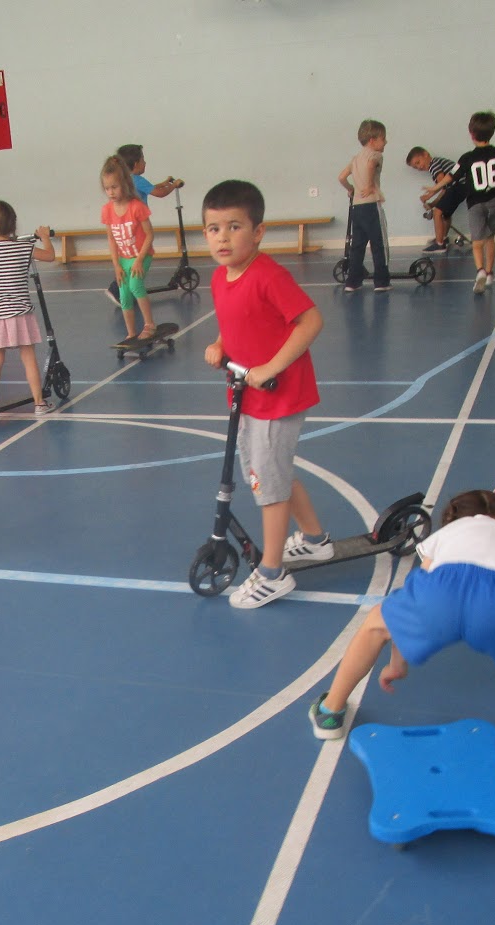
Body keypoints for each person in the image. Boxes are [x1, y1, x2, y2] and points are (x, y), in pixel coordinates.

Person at [309, 488, 495, 774]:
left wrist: (398, 660)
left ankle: (330, 713)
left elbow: (416, 593)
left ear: (455, 518)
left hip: (439, 598)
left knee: (376, 622)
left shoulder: (446, 536)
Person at [201, 179, 330, 610]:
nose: (222, 237)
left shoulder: (269, 275)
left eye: (234, 227)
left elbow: (310, 322)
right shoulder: (221, 277)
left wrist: (270, 368)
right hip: (248, 394)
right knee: (273, 472)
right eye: (213, 228)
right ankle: (315, 540)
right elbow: (234, 319)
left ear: (257, 232)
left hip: (278, 397)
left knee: (268, 485)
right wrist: (220, 344)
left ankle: (273, 573)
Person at [0, 200, 57, 415]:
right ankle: (39, 403)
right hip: (20, 314)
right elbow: (50, 256)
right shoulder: (24, 247)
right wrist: (46, 238)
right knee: (28, 357)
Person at [109, 144, 183, 306]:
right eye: (143, 160)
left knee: (129, 256)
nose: (145, 163)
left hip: (127, 225)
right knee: (141, 256)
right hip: (138, 226)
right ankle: (118, 289)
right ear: (136, 164)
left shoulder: (127, 180)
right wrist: (173, 185)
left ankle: (122, 287)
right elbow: (159, 193)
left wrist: (164, 182)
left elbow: (151, 188)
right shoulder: (137, 180)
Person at [454, 112, 495, 295]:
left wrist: (435, 190)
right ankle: (490, 273)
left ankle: (480, 270)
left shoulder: (467, 158)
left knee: (476, 242)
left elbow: (452, 176)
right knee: (490, 237)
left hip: (475, 203)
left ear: (471, 133)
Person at [100, 156, 158, 343]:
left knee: (135, 286)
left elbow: (149, 234)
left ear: (125, 184)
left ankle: (150, 325)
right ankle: (131, 332)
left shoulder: (136, 207)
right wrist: (116, 265)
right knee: (124, 294)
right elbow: (111, 239)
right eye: (107, 188)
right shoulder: (107, 210)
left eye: (114, 187)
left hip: (141, 255)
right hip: (123, 259)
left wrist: (140, 260)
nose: (111, 192)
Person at [338, 119, 391, 293]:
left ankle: (352, 282)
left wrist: (351, 189)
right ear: (372, 141)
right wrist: (369, 185)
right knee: (378, 243)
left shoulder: (355, 158)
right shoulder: (375, 155)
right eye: (383, 139)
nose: (386, 142)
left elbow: (341, 177)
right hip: (371, 205)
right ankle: (382, 281)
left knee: (357, 245)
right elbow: (370, 165)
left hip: (357, 207)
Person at [405, 146, 465, 252]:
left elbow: (442, 183)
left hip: (459, 186)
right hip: (460, 187)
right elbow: (445, 190)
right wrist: (433, 203)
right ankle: (443, 238)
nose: (418, 167)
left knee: (437, 213)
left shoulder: (434, 164)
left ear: (426, 154)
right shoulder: (437, 164)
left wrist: (429, 196)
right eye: (415, 167)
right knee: (445, 214)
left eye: (418, 162)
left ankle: (439, 244)